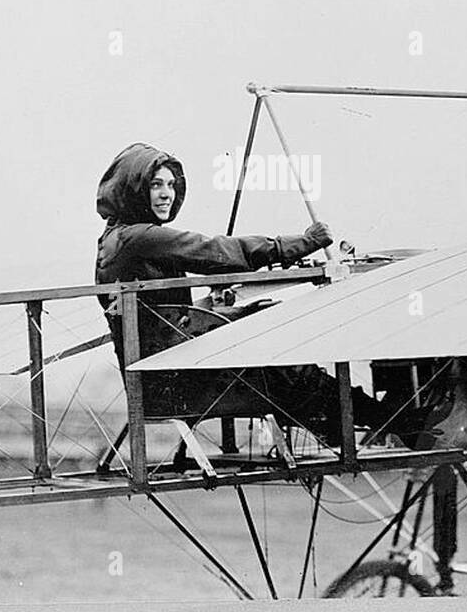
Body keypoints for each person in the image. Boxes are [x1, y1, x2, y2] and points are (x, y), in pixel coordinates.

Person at [94, 142, 388, 446]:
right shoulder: (138, 238)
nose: (167, 193)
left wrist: (239, 312)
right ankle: (385, 418)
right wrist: (300, 244)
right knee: (286, 359)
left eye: (171, 184)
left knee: (263, 320)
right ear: (133, 188)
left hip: (161, 374)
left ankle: (351, 419)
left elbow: (161, 315)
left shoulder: (114, 240)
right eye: (155, 185)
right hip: (178, 381)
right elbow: (216, 251)